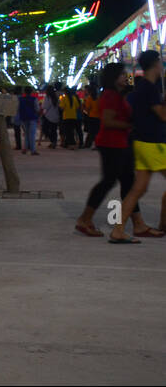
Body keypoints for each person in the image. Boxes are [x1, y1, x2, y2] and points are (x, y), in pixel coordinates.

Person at [76, 62, 157, 238]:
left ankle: (138, 224)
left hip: (121, 143)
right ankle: (85, 219)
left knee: (128, 183)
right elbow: (108, 121)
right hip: (112, 144)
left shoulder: (117, 95)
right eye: (121, 74)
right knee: (109, 181)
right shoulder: (111, 95)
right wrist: (132, 125)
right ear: (113, 77)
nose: (124, 77)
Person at [109, 51, 166, 243]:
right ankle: (163, 222)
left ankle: (118, 229)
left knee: (137, 189)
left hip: (142, 143)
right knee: (137, 189)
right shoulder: (149, 89)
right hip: (153, 144)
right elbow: (163, 115)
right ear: (156, 64)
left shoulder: (142, 88)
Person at [17, 86, 39, 155]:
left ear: (24, 92)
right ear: (31, 92)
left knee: (26, 134)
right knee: (32, 134)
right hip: (32, 117)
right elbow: (37, 109)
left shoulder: (20, 99)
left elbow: (17, 109)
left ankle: (25, 148)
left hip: (23, 118)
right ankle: (33, 150)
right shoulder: (34, 99)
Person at [81, 84, 101, 149]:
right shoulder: (98, 98)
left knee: (91, 131)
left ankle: (88, 144)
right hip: (98, 117)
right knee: (96, 131)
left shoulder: (90, 98)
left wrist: (83, 107)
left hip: (91, 116)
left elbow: (87, 108)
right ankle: (96, 145)